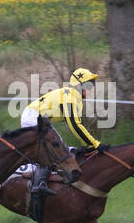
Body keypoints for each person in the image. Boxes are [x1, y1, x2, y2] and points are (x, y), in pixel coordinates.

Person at [18, 68, 108, 202]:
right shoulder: (70, 97)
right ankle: (38, 184)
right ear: (79, 85)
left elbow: (78, 124)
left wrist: (90, 145)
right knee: (52, 149)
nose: (91, 88)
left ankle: (43, 177)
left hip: (40, 119)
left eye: (92, 84)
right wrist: (94, 144)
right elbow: (75, 126)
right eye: (89, 85)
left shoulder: (75, 97)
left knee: (58, 147)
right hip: (33, 117)